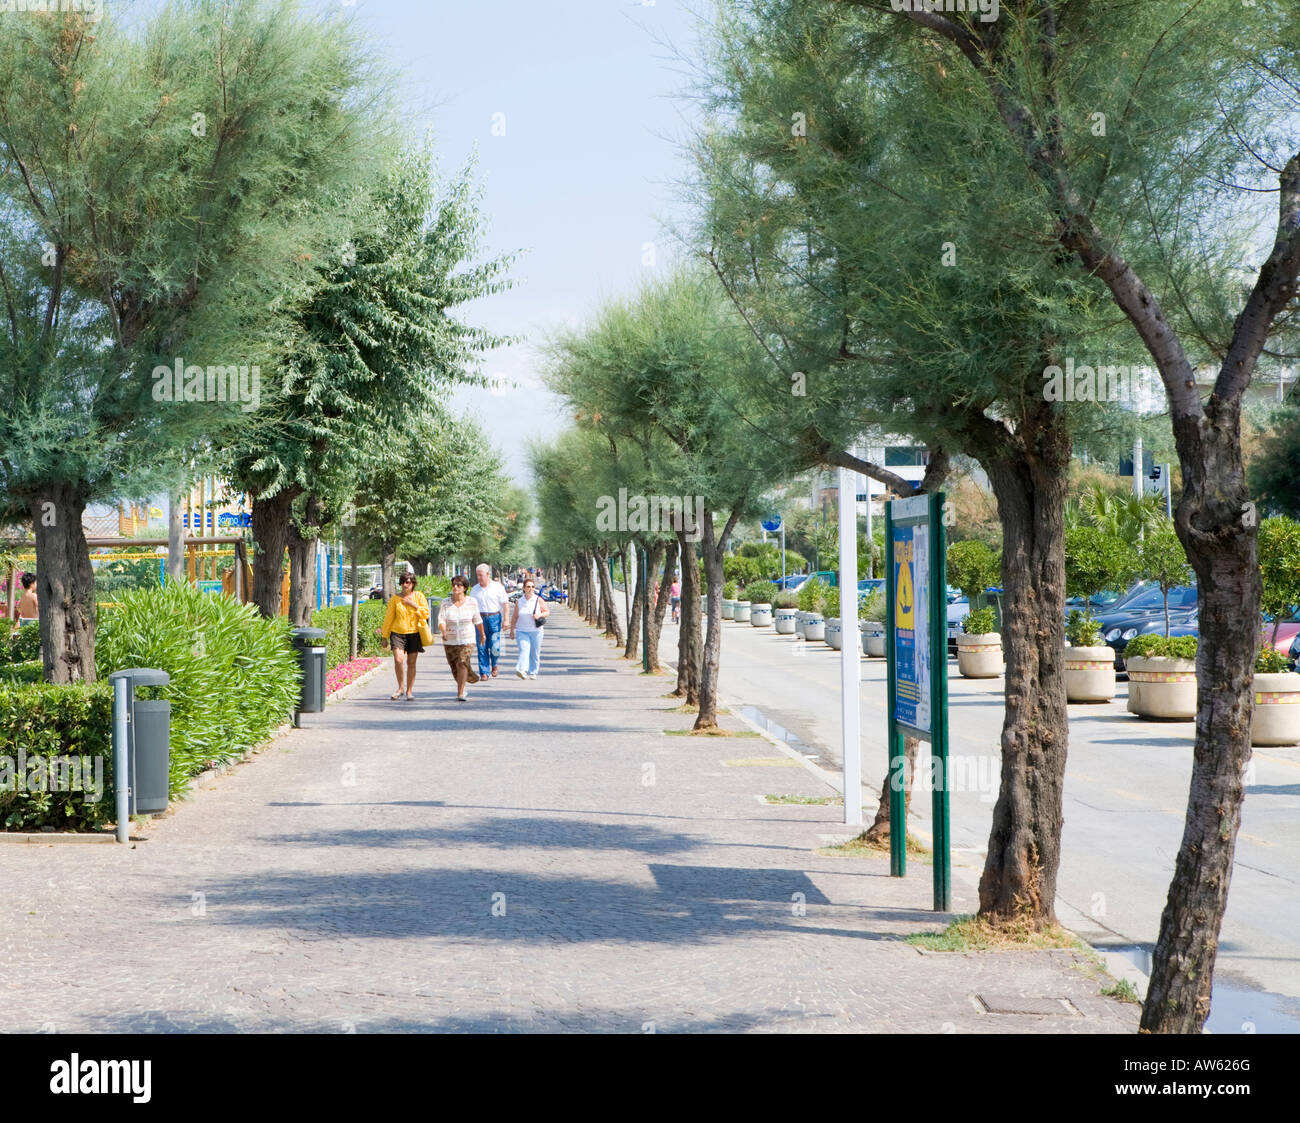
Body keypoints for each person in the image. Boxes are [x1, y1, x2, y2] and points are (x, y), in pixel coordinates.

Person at [377, 572, 429, 700]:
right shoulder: (395, 599)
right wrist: (384, 636)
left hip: (414, 633)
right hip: (397, 633)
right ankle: (400, 688)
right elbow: (389, 617)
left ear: (413, 584)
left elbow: (426, 614)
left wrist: (413, 604)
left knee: (411, 662)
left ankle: (409, 691)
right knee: (398, 660)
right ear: (400, 583)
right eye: (404, 582)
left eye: (409, 582)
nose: (406, 584)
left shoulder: (419, 596)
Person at [439, 574, 485, 701]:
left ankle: (460, 692)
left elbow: (477, 619)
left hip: (467, 639)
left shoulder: (471, 602)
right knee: (454, 666)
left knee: (462, 662)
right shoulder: (446, 603)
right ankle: (466, 680)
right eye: (454, 584)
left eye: (458, 585)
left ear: (464, 588)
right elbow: (441, 620)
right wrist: (443, 632)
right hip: (450, 639)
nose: (455, 587)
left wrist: (482, 634)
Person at [469, 563, 509, 680]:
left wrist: (506, 620)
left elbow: (505, 604)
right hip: (480, 619)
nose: (479, 578)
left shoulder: (497, 587)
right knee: (482, 646)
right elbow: (471, 606)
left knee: (495, 645)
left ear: (487, 574)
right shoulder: (475, 590)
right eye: (477, 575)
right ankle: (484, 672)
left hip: (494, 617)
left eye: (481, 575)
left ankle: (495, 664)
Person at [508, 577, 549, 679]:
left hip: (536, 631)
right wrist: (512, 630)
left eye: (532, 587)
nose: (530, 588)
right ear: (524, 588)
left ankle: (533, 672)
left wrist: (539, 615)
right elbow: (515, 617)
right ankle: (521, 670)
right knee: (524, 650)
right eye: (528, 587)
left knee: (534, 653)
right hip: (522, 631)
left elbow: (547, 612)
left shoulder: (538, 599)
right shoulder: (519, 601)